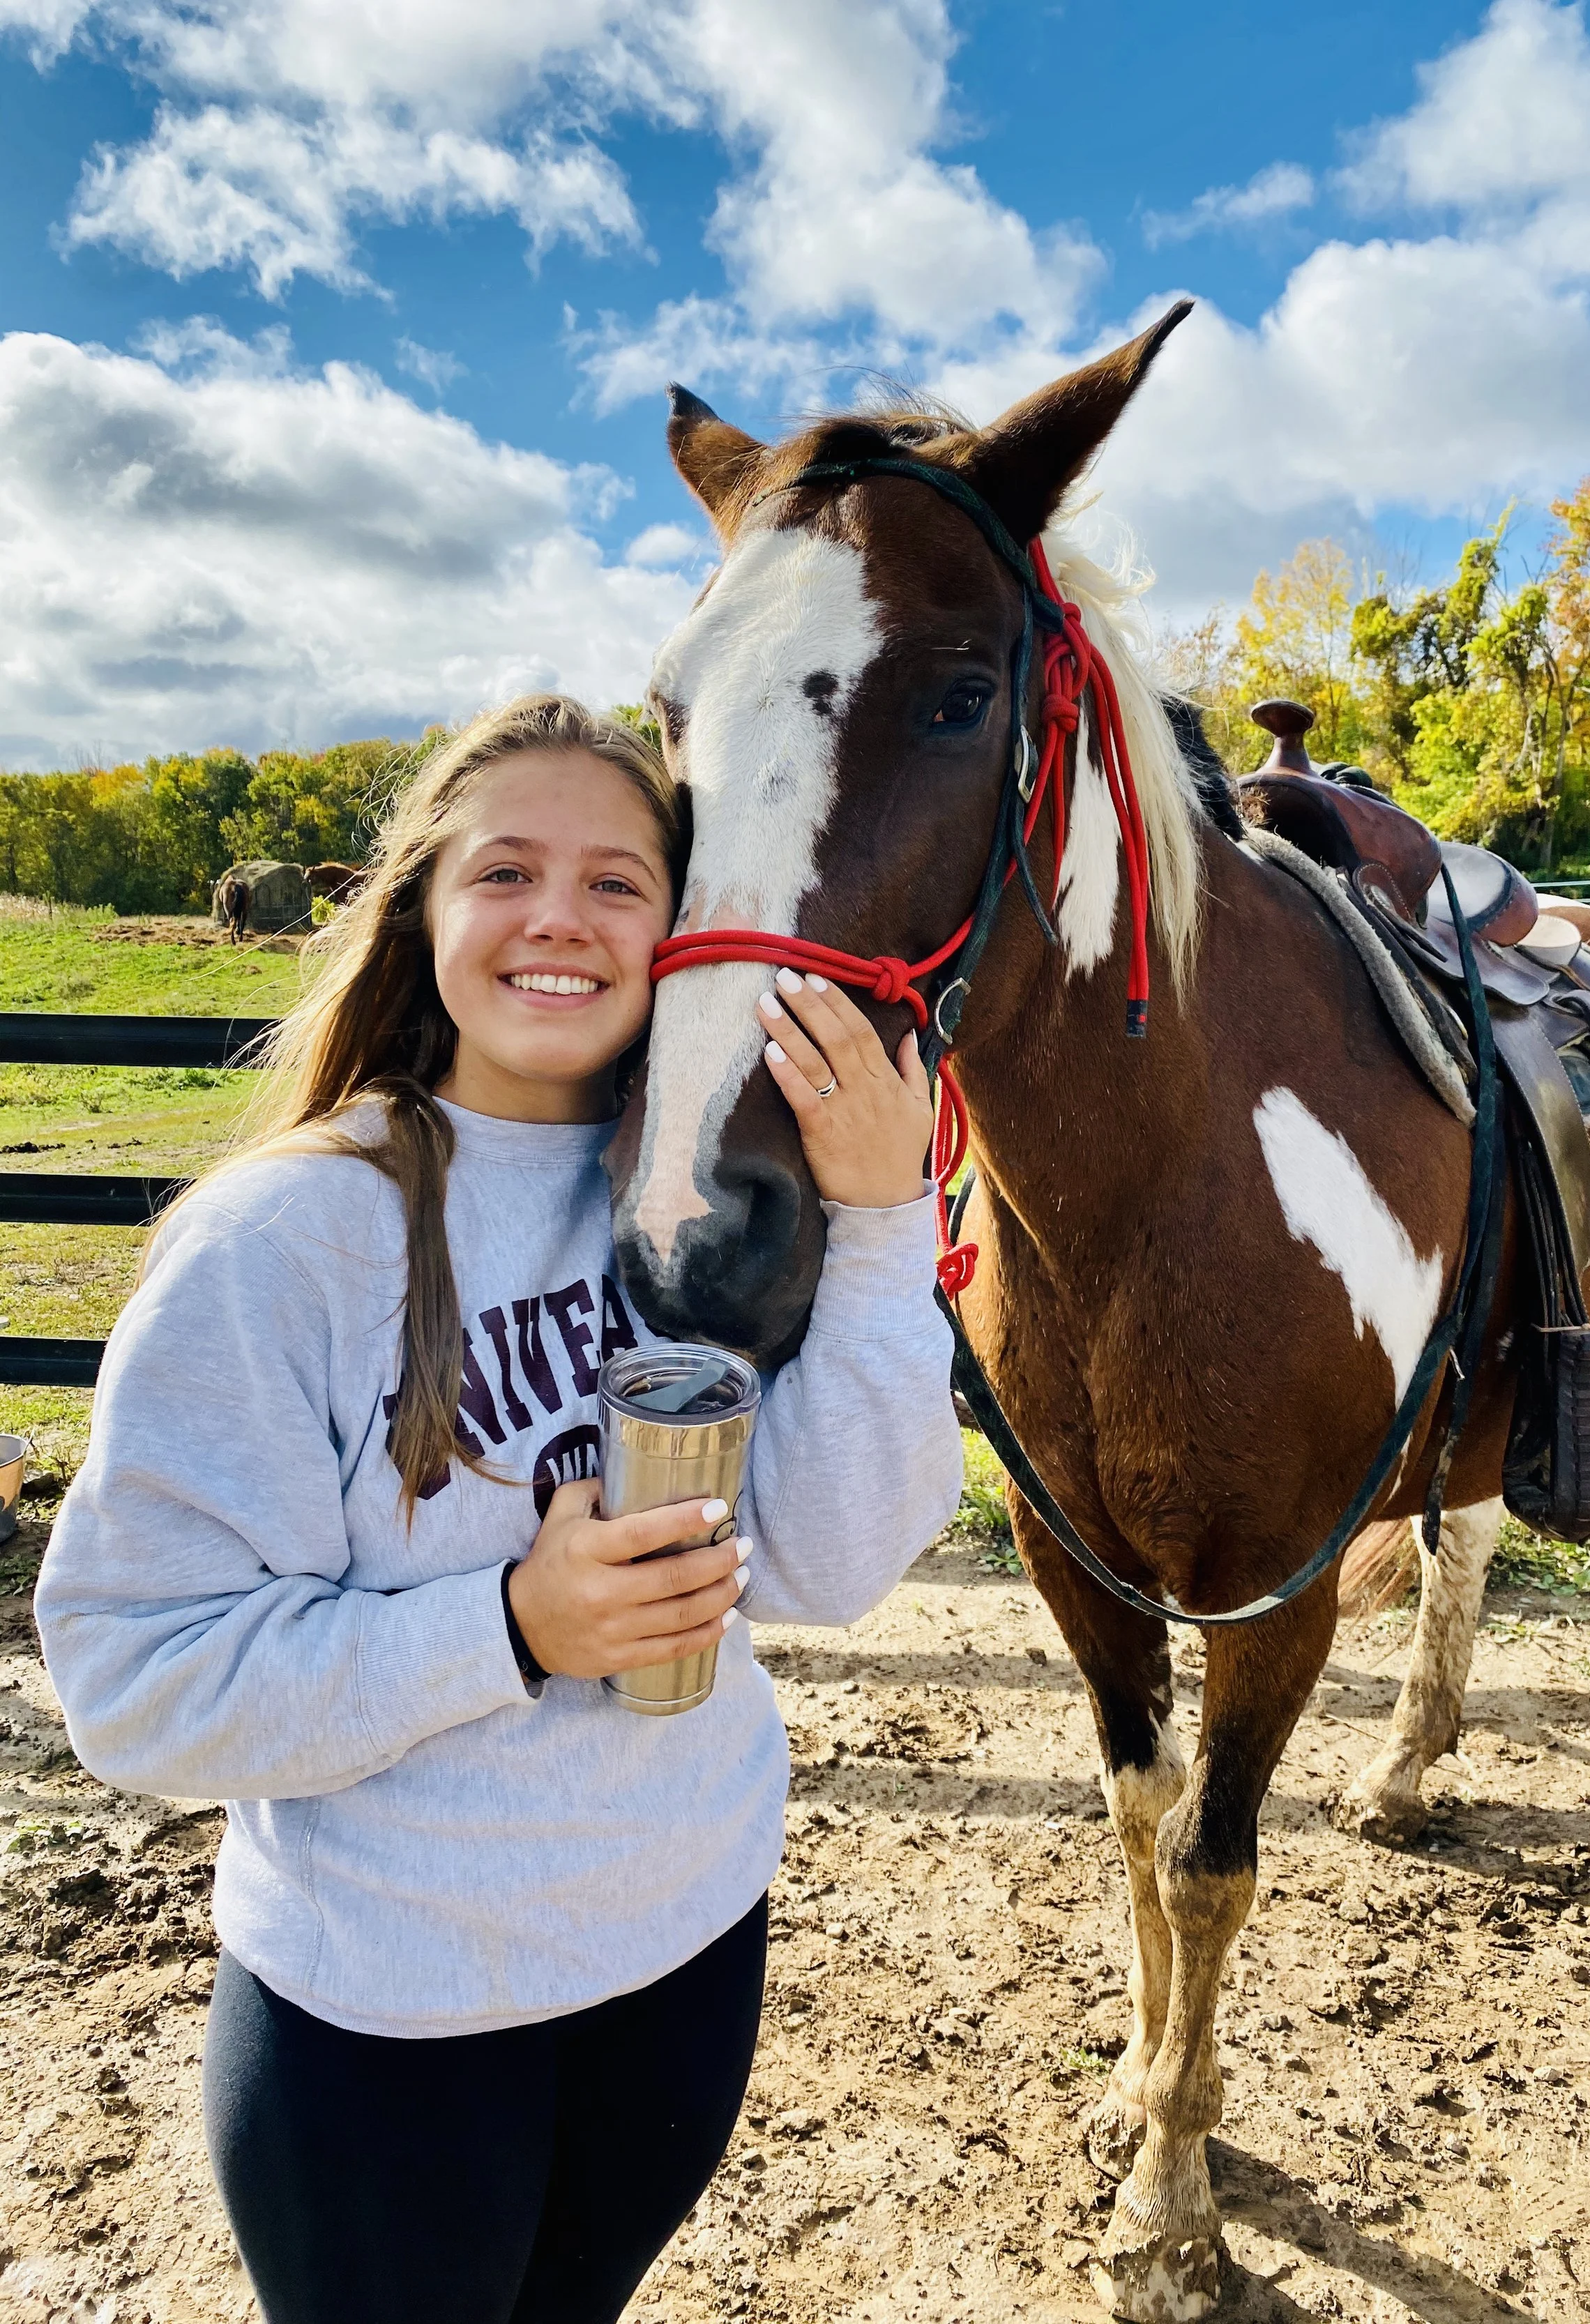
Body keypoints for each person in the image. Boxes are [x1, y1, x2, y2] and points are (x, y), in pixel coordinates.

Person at [35, 694, 962, 2324]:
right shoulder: (285, 1240)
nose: (560, 915)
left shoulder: (701, 1193)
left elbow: (823, 1559)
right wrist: (509, 1628)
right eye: (507, 870)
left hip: (683, 1952)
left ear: (680, 931)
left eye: (619, 881)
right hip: (389, 2025)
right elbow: (133, 1683)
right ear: (424, 911)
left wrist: (884, 1222)